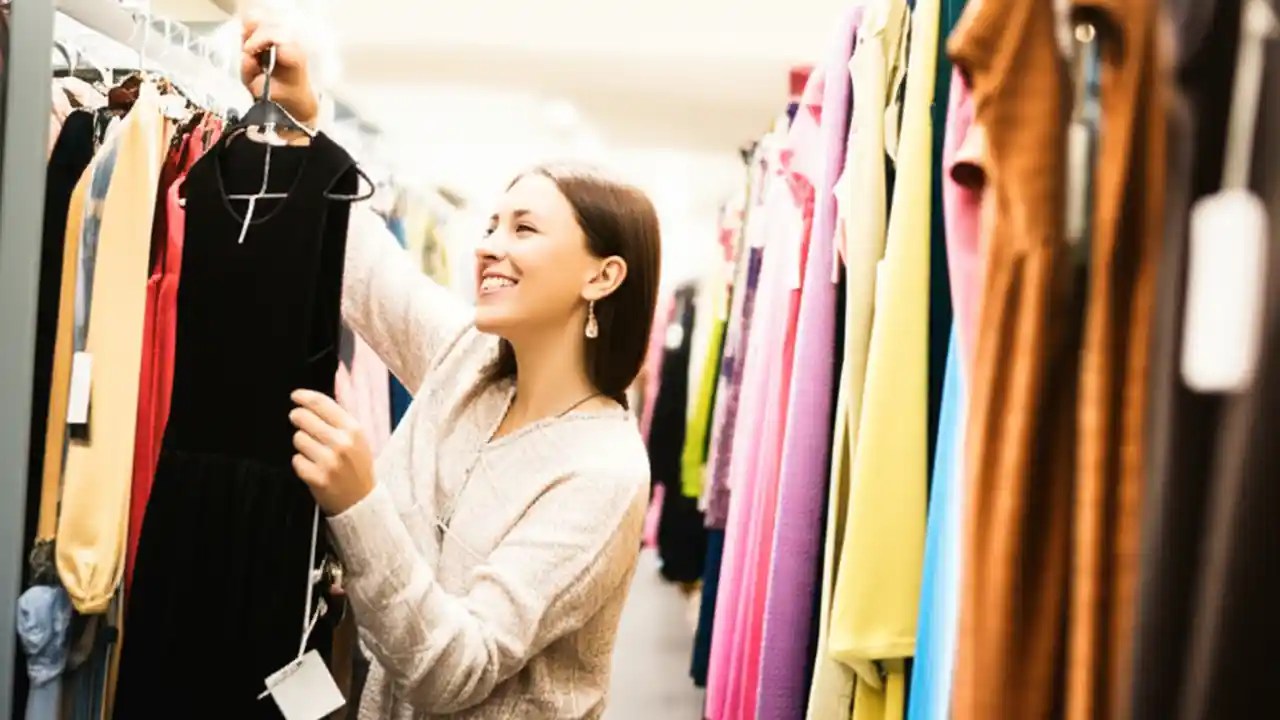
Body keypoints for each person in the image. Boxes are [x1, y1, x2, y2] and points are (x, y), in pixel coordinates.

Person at [239, 15, 661, 719]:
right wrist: (300, 120)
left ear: (603, 277)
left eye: (524, 228)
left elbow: (452, 673)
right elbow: (367, 267)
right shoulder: (471, 359)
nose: (490, 246)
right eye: (492, 225)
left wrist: (359, 501)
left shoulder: (602, 473)